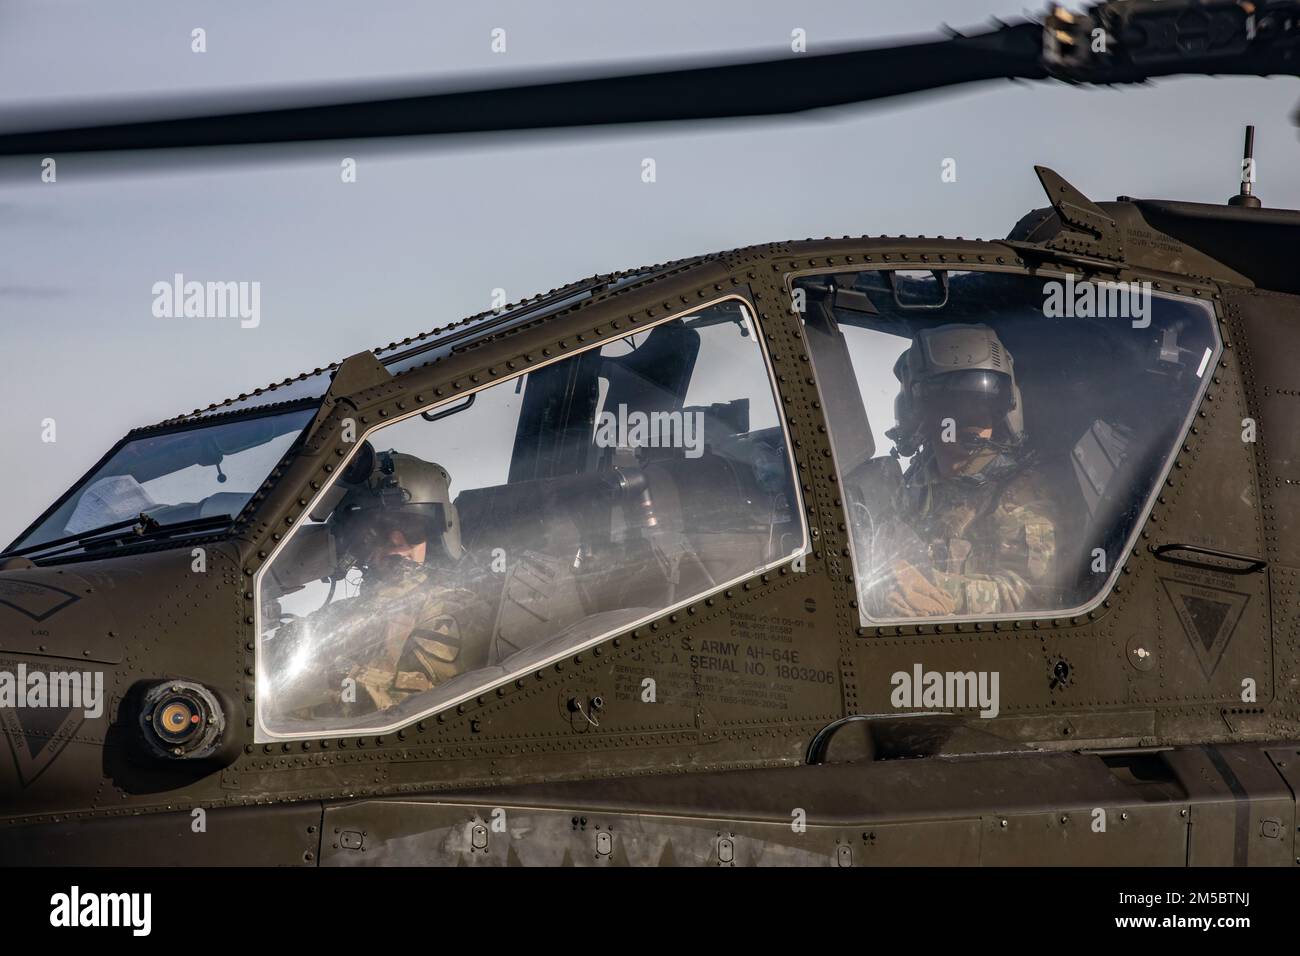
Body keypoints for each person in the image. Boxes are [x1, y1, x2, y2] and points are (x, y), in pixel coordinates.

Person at [272, 445, 493, 718]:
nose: (398, 543)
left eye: (412, 528)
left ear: (437, 533)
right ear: (357, 541)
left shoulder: (454, 608)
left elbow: (425, 700)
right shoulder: (340, 615)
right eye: (379, 529)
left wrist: (321, 680)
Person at [866, 323, 1061, 618]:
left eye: (982, 407)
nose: (971, 424)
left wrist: (935, 589)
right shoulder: (914, 485)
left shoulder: (1019, 491)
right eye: (953, 408)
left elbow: (1030, 593)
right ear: (920, 414)